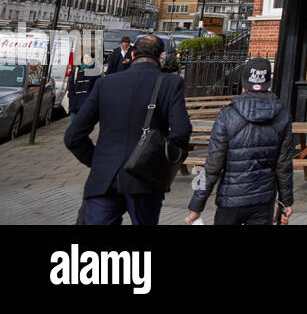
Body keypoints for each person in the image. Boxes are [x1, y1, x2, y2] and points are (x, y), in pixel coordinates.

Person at [64, 35, 191, 226]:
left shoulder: (105, 83)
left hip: (104, 177)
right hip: (145, 178)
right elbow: (182, 132)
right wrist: (162, 164)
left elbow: (73, 136)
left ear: (132, 55)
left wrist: (97, 160)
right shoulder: (170, 83)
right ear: (161, 56)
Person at [185, 57, 294, 226]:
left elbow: (212, 165)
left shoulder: (227, 115)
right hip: (263, 201)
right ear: (268, 82)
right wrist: (285, 203)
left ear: (244, 82)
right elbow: (284, 166)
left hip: (230, 199)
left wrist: (196, 206)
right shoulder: (282, 116)